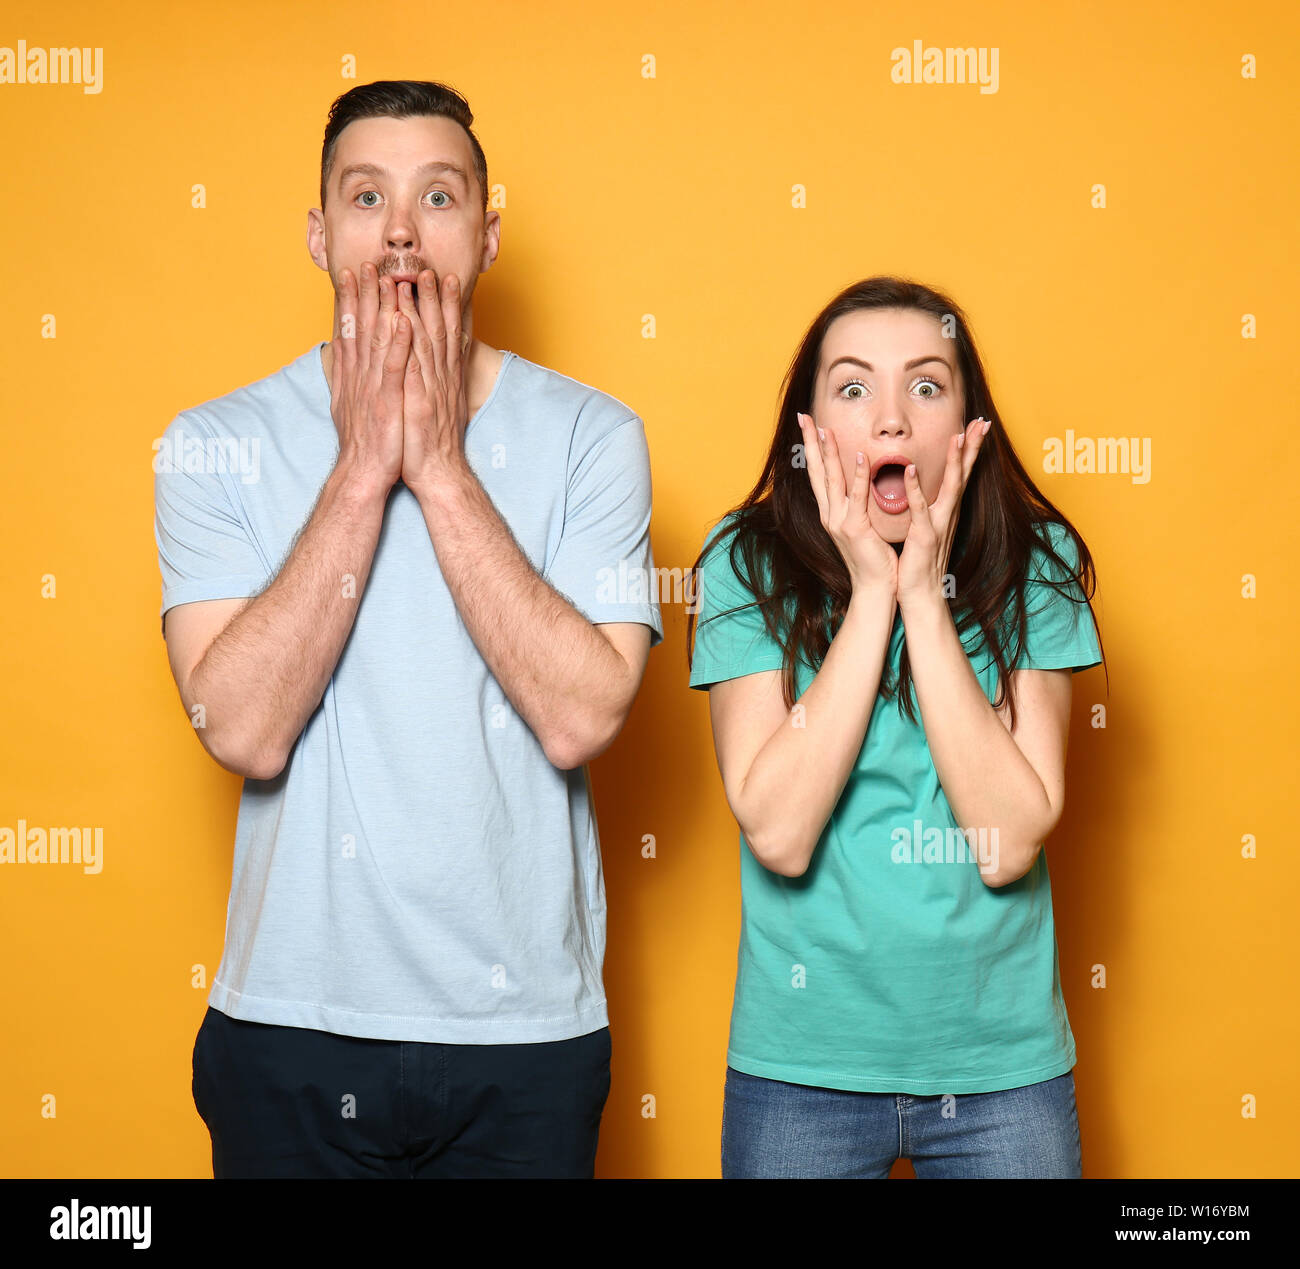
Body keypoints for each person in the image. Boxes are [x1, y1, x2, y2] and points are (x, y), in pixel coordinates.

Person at [154, 80, 662, 1178]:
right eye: (364, 195)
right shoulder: (211, 443)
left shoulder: (593, 437)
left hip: (523, 1038)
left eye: (438, 195)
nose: (398, 229)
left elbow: (581, 716)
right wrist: (359, 466)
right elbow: (241, 728)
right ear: (317, 232)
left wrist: (434, 467)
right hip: (287, 1027)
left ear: (487, 232)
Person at [686, 276, 1107, 1179]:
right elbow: (780, 830)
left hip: (1003, 1074)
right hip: (800, 1072)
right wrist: (872, 590)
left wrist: (921, 591)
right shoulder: (743, 562)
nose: (890, 421)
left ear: (967, 426)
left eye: (925, 385)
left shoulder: (1040, 565)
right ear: (811, 430)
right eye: (852, 388)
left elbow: (1010, 841)